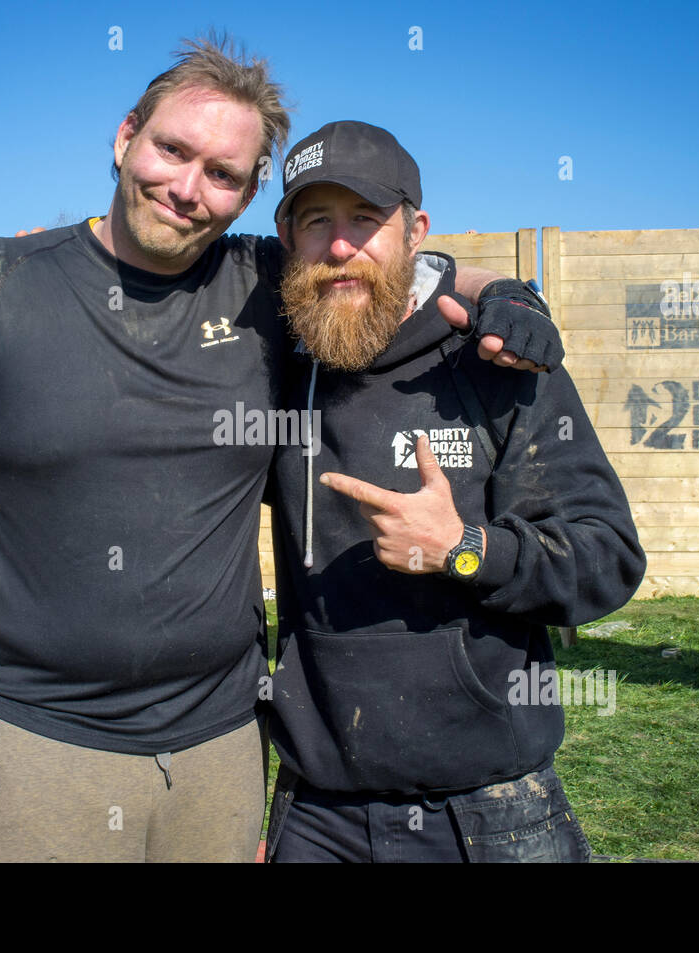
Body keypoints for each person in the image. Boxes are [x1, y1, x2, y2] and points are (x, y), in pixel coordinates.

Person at [0, 37, 562, 863]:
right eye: (171, 150)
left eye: (222, 174)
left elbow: (391, 259)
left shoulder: (267, 286)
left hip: (220, 750)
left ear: (252, 192)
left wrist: (501, 290)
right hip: (35, 742)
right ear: (126, 137)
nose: (187, 189)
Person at [263, 121, 646, 862]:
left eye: (365, 220)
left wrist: (464, 550)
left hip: (486, 815)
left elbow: (609, 558)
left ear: (416, 231)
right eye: (317, 221)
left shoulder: (500, 363)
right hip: (314, 813)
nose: (340, 246)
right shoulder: (274, 368)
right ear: (288, 237)